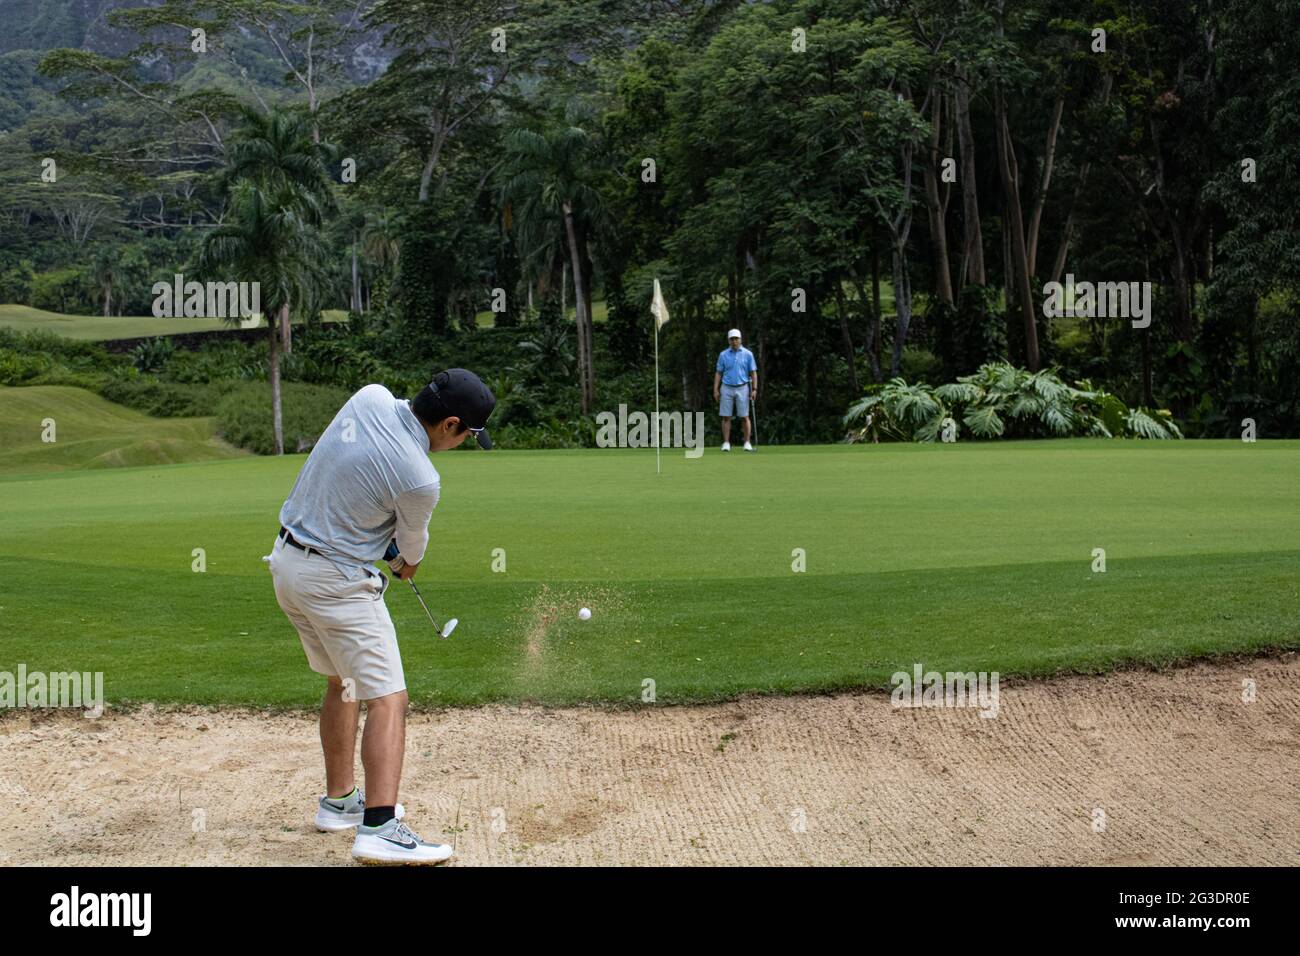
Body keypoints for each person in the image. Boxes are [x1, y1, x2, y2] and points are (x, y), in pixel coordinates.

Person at [267, 369, 495, 865]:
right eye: (467, 436)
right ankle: (380, 827)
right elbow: (410, 559)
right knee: (389, 698)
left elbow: (353, 469)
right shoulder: (421, 478)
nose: (463, 443)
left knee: (342, 683)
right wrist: (394, 548)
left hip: (287, 565)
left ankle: (341, 802)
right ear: (450, 424)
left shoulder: (368, 396)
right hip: (335, 583)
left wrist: (376, 533)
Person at [713, 328, 758, 451]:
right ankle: (726, 443)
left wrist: (754, 389)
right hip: (726, 387)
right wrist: (715, 389)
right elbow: (718, 373)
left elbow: (753, 373)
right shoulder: (723, 355)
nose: (734, 341)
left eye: (736, 339)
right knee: (726, 417)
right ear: (728, 340)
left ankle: (747, 443)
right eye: (732, 339)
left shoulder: (748, 354)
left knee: (744, 416)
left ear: (740, 339)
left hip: (743, 387)